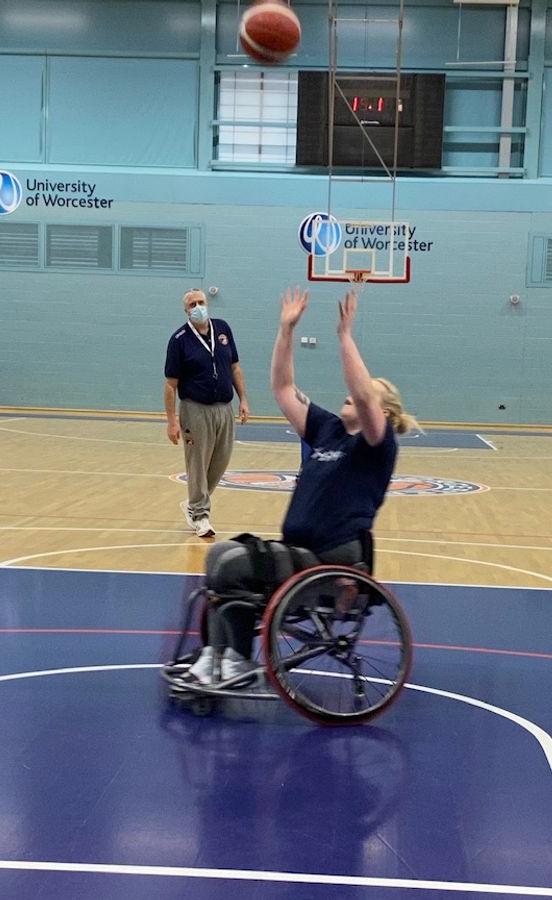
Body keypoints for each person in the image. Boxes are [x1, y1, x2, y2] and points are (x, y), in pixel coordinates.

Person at [181, 285, 417, 684]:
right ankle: (216, 653)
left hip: (330, 560)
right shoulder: (328, 429)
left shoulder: (377, 445)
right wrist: (286, 331)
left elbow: (363, 394)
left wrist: (344, 336)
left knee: (235, 566)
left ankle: (236, 660)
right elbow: (284, 389)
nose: (352, 395)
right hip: (299, 551)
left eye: (364, 396)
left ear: (384, 412)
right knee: (219, 555)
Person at [164, 289, 249, 539]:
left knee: (220, 462)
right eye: (193, 304)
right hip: (195, 409)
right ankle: (200, 514)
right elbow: (170, 385)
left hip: (224, 408)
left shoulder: (223, 329)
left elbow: (235, 367)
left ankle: (193, 504)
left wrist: (243, 399)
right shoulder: (179, 340)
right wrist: (172, 421)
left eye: (201, 302)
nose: (198, 307)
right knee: (198, 463)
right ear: (186, 310)